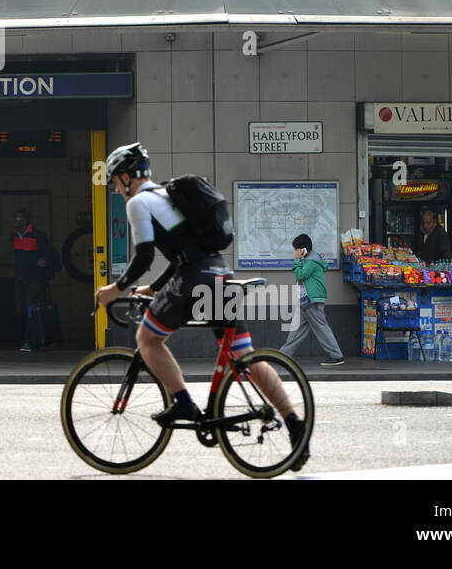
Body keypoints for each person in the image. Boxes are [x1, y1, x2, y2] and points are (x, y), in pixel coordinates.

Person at [93, 143, 310, 470]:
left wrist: (114, 289)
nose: (115, 188)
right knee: (243, 356)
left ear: (126, 177)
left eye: (114, 181)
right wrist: (153, 288)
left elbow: (144, 256)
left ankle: (182, 403)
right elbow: (185, 252)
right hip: (220, 272)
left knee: (147, 339)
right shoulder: (168, 196)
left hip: (193, 280)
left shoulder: (139, 202)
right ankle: (294, 423)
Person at [279, 234, 345, 367]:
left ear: (302, 250)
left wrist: (297, 260)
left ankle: (336, 355)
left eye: (296, 249)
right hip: (306, 299)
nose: (295, 252)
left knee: (321, 327)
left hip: (311, 300)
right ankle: (284, 354)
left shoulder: (311, 261)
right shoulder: (311, 259)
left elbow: (301, 275)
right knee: (297, 328)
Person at [12, 209, 59, 352]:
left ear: (26, 220)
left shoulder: (38, 236)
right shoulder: (14, 236)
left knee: (30, 309)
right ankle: (29, 339)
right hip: (21, 278)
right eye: (15, 217)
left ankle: (30, 341)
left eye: (19, 218)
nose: (16, 220)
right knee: (20, 309)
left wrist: (44, 260)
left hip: (35, 279)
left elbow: (50, 253)